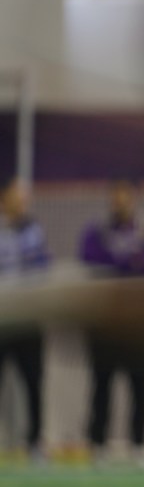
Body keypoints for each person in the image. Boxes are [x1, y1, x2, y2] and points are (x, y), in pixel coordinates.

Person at [80, 179, 144, 465]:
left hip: (140, 319)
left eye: (124, 194)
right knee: (101, 383)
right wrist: (130, 261)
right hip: (105, 318)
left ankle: (140, 445)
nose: (119, 199)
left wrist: (119, 264)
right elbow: (91, 261)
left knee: (140, 385)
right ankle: (98, 444)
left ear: (135, 197)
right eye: (114, 194)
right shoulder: (97, 230)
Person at [0, 178, 50, 464]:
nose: (21, 202)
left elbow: (41, 267)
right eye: (16, 196)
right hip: (2, 321)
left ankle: (34, 443)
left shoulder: (33, 230)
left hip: (28, 320)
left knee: (33, 383)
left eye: (24, 197)